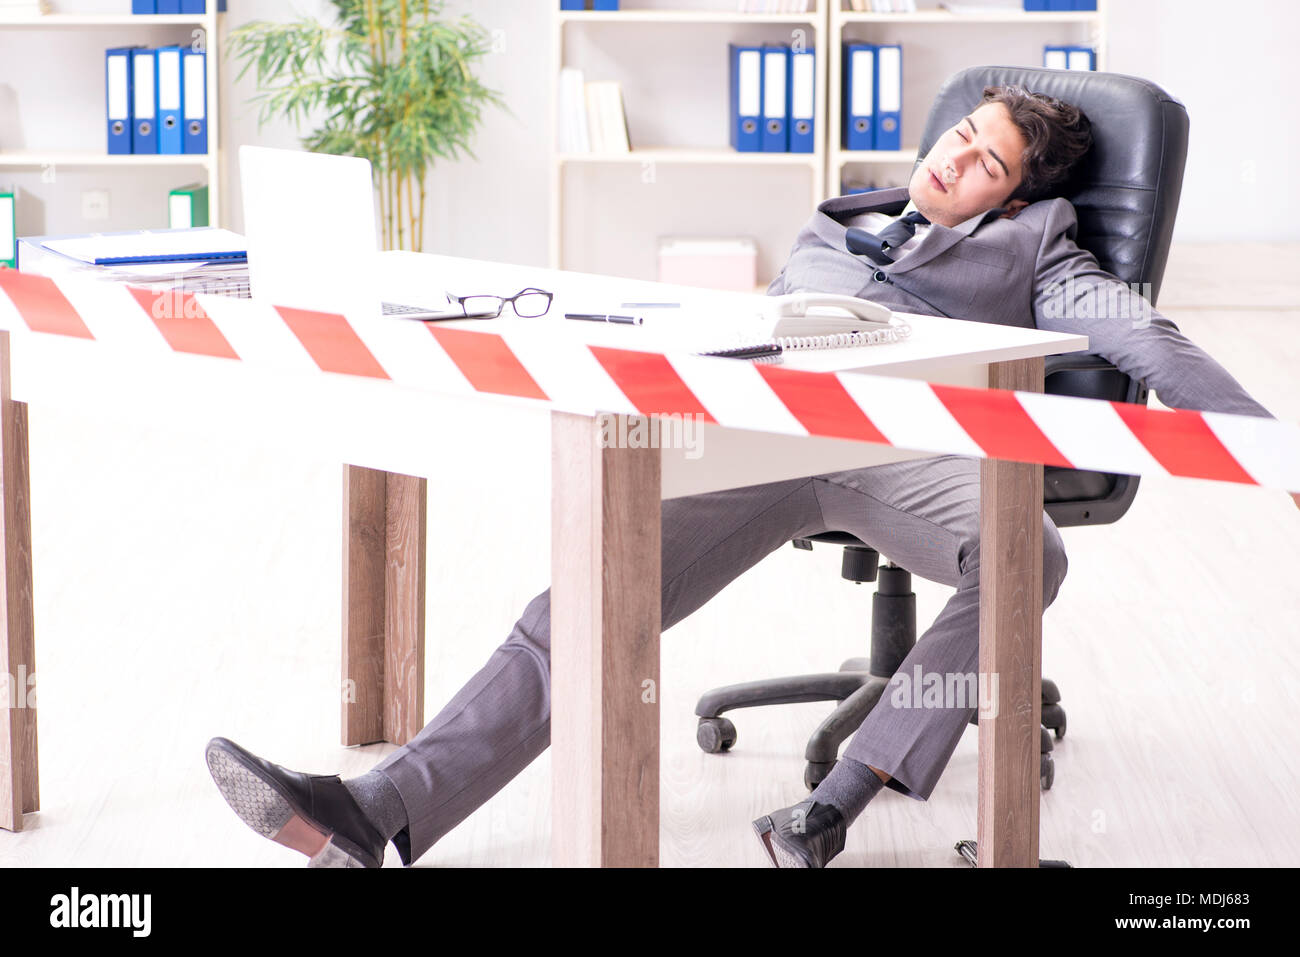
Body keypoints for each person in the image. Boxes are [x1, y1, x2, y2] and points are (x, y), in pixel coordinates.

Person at [205, 86, 1300, 869]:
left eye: (984, 165)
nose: (952, 162)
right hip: (751, 434)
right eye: (957, 138)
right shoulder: (845, 210)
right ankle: (377, 811)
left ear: (1013, 201)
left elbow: (1143, 340)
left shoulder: (1038, 247)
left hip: (898, 449)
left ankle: (833, 804)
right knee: (588, 594)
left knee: (1026, 553)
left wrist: (1273, 453)